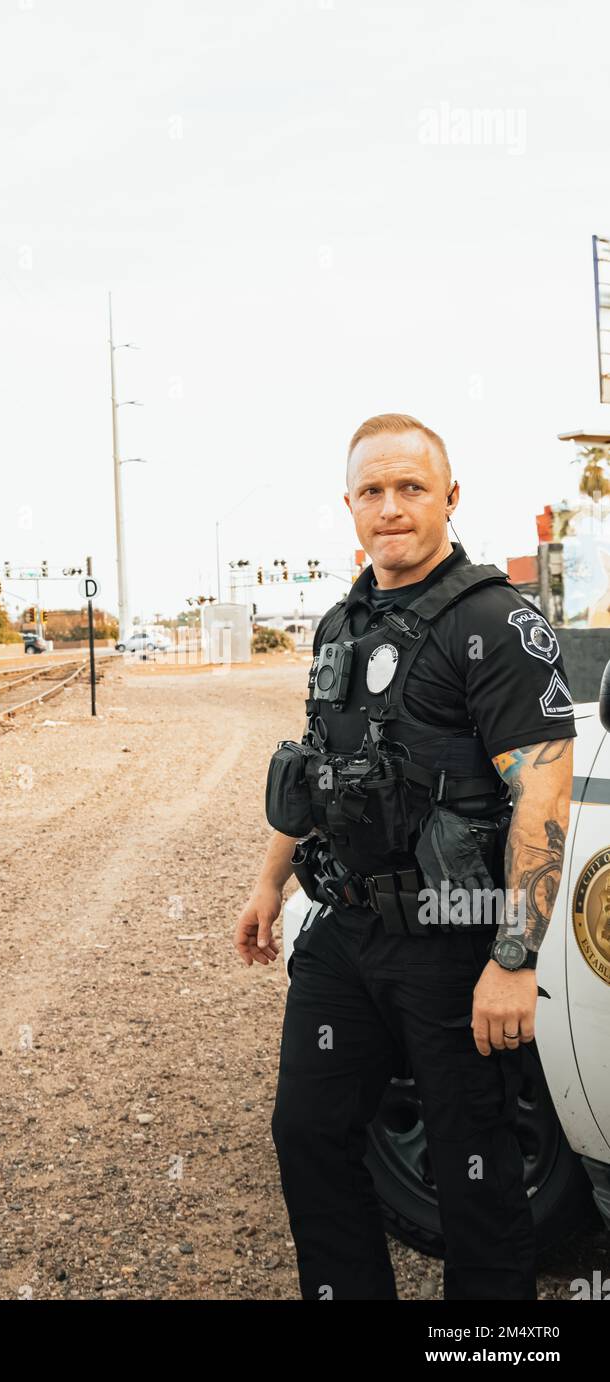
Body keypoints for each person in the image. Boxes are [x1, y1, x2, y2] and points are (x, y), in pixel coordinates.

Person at [233, 413, 576, 1300]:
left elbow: (542, 798)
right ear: (348, 505)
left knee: (476, 1173)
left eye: (412, 488)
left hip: (455, 939)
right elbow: (316, 767)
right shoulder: (340, 623)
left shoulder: (498, 621)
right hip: (346, 931)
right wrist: (270, 883)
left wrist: (513, 960)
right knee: (308, 1135)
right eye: (373, 491)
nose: (392, 507)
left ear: (450, 498)